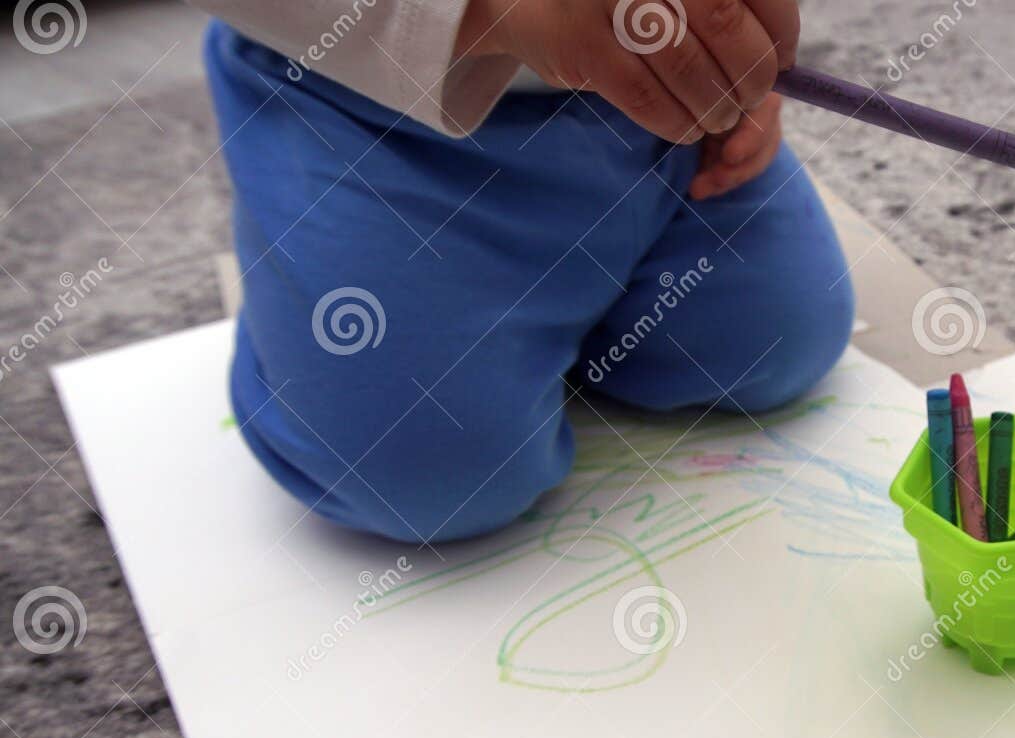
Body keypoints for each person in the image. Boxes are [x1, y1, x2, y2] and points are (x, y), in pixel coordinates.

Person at [194, 0, 855, 542]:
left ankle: (539, 322)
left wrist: (738, 55)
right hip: (365, 103)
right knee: (425, 477)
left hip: (649, 97)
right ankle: (307, 258)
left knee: (778, 337)